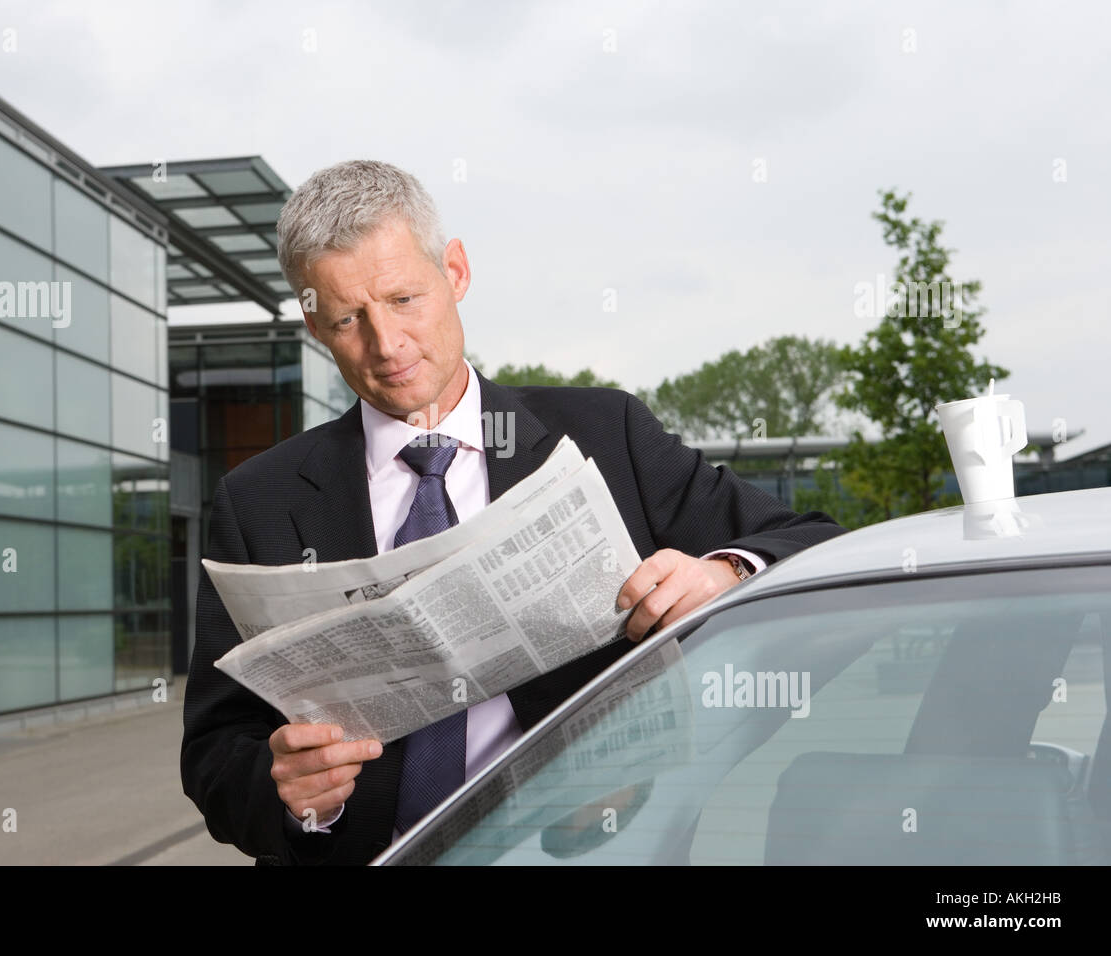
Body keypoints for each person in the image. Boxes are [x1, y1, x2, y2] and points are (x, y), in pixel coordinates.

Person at [180, 160, 847, 866]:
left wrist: (721, 572)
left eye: (404, 298)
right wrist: (288, 794)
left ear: (457, 271)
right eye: (349, 318)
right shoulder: (259, 500)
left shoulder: (605, 434)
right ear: (314, 322)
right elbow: (216, 750)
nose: (387, 344)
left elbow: (811, 541)